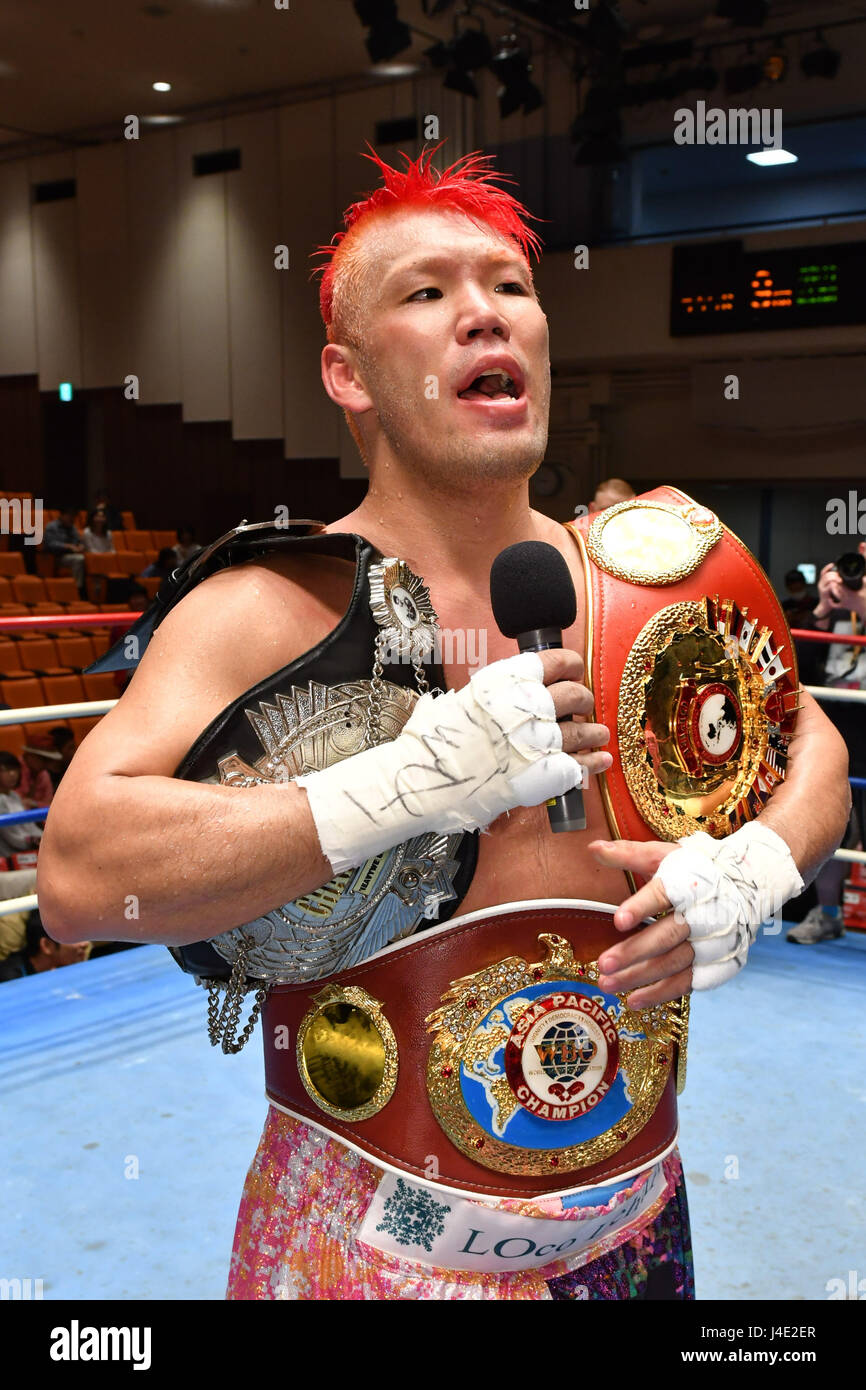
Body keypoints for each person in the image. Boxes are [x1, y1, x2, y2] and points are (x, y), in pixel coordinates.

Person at [39, 148, 850, 1302]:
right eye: (427, 293)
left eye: (510, 286)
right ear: (348, 372)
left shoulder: (667, 578)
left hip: (633, 1218)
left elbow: (806, 738)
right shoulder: (270, 606)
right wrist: (405, 781)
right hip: (364, 1229)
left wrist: (762, 862)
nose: (484, 313)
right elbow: (78, 872)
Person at [787, 541, 866, 945]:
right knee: (835, 823)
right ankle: (828, 913)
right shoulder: (838, 606)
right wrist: (822, 608)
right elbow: (795, 663)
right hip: (839, 720)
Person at [0, 908, 90, 983]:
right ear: (46, 945)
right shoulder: (10, 980)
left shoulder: (61, 970)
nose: (85, 943)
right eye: (74, 938)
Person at [0, 751, 43, 860]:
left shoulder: (14, 795)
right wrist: (34, 841)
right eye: (6, 770)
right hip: (10, 857)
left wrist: (45, 837)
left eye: (14, 769)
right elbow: (13, 839)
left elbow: (30, 826)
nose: (12, 774)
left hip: (30, 850)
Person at [43, 505, 85, 591]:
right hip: (56, 557)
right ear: (62, 515)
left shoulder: (72, 527)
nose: (72, 518)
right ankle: (77, 589)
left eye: (74, 516)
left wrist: (81, 545)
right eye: (70, 516)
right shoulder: (52, 526)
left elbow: (78, 541)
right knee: (79, 559)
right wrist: (67, 546)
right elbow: (50, 544)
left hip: (70, 555)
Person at [19, 736, 62, 805]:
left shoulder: (44, 774)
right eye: (44, 759)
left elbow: (49, 802)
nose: (47, 764)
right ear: (30, 756)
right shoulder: (14, 771)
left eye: (49, 760)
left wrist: (34, 804)